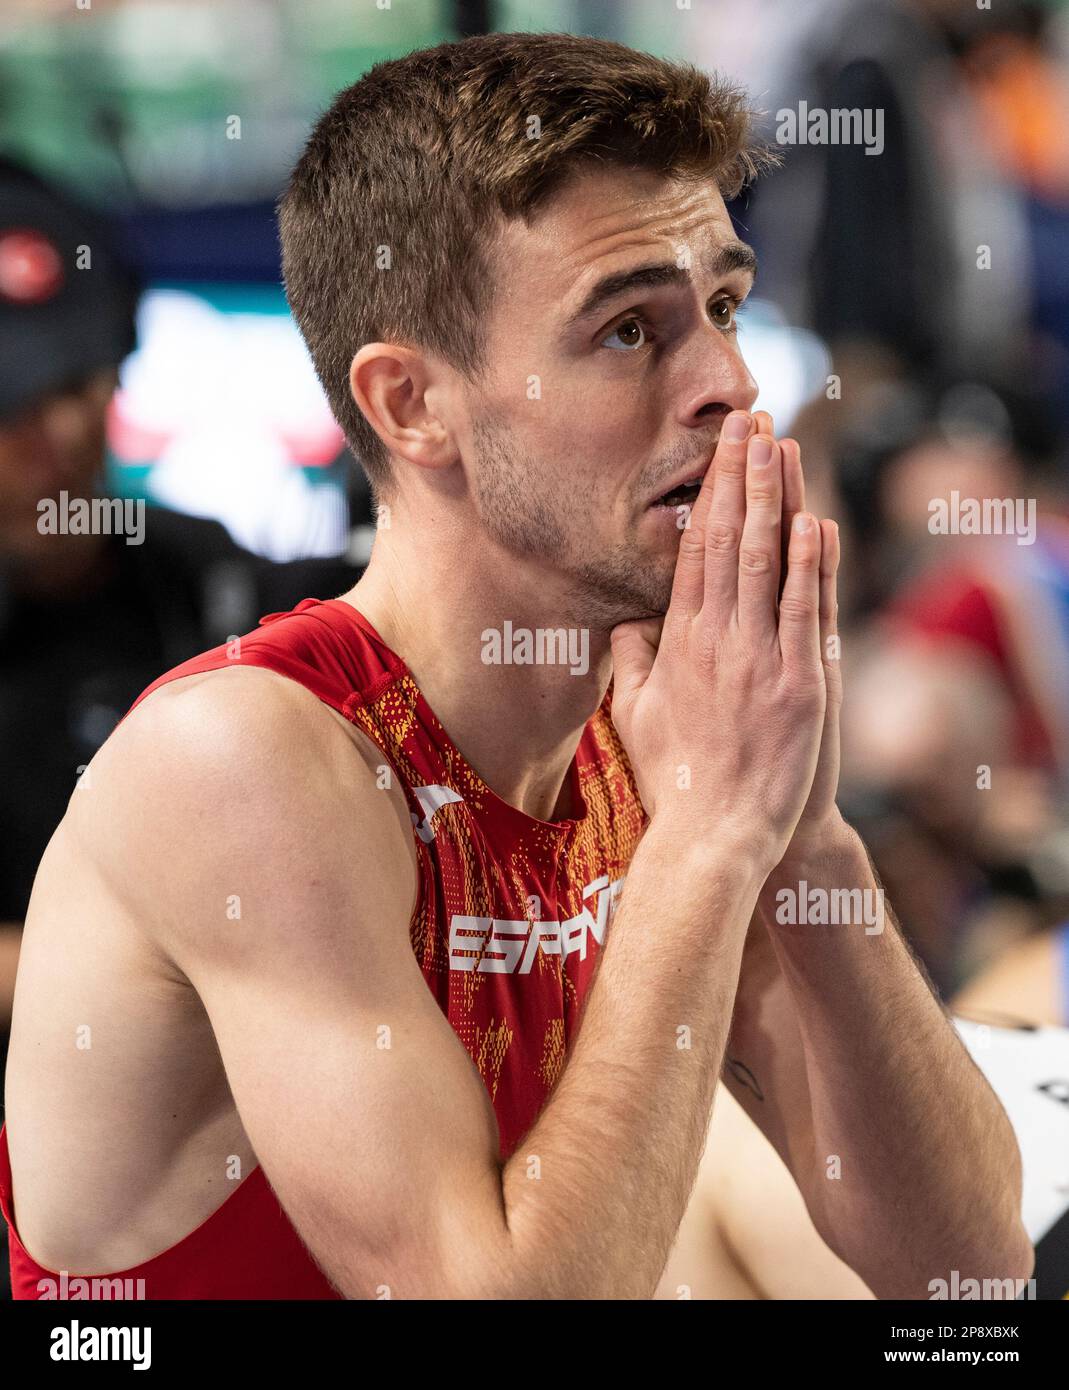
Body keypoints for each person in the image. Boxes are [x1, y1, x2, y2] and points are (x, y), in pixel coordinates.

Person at [0, 33, 1031, 1301]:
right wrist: (711, 843)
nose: (732, 381)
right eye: (626, 331)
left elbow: (968, 1276)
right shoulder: (245, 759)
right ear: (410, 405)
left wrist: (801, 829)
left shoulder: (663, 736)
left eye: (721, 304)